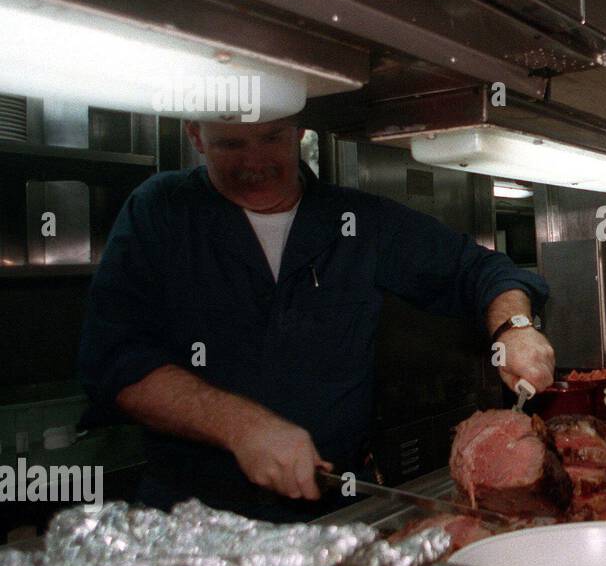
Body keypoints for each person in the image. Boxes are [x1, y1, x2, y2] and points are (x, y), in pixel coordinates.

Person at [78, 114, 555, 522]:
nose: (254, 162)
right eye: (230, 143)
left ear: (299, 130)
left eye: (271, 138)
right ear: (195, 136)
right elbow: (114, 360)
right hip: (195, 523)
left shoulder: (357, 221)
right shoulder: (161, 213)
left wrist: (513, 328)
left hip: (335, 512)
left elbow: (480, 269)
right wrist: (242, 427)